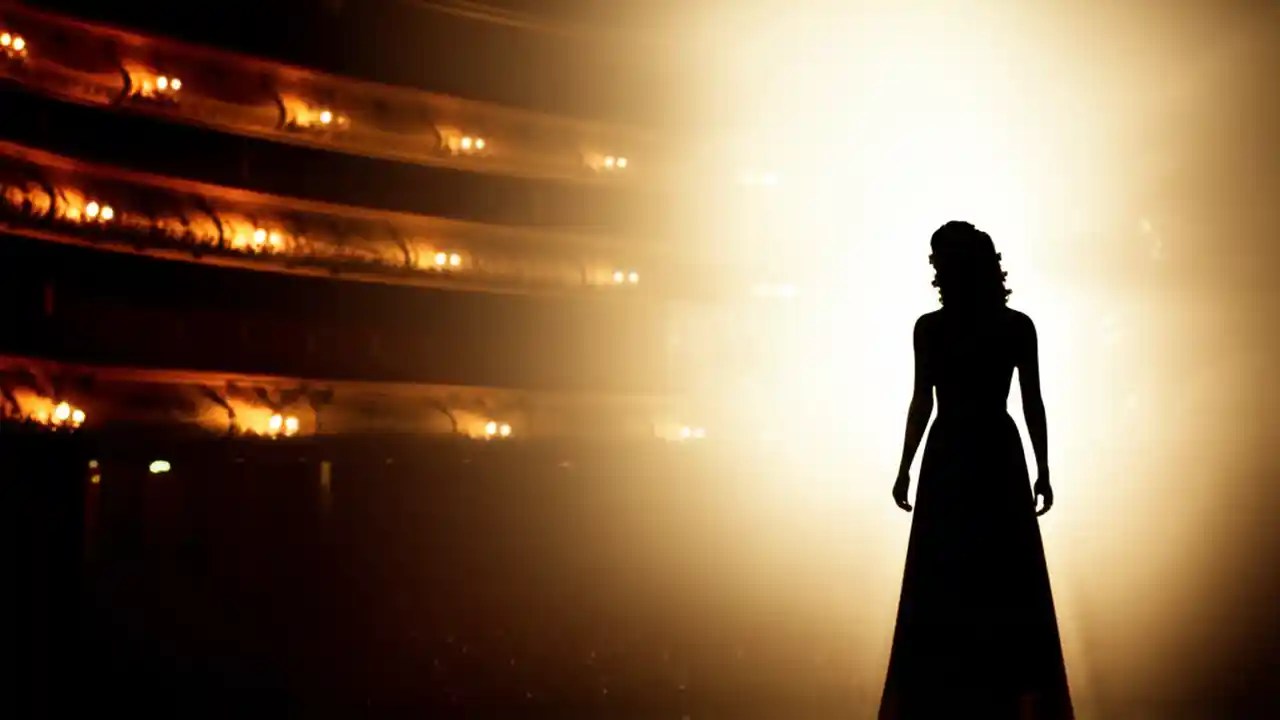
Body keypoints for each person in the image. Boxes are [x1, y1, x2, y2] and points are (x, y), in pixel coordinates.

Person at [878, 221, 1074, 719]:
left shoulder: (961, 328)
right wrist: (904, 465)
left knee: (971, 570)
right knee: (985, 570)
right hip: (979, 453)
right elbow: (924, 400)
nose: (936, 270)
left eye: (941, 260)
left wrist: (1044, 467)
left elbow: (1030, 401)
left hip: (968, 453)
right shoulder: (998, 327)